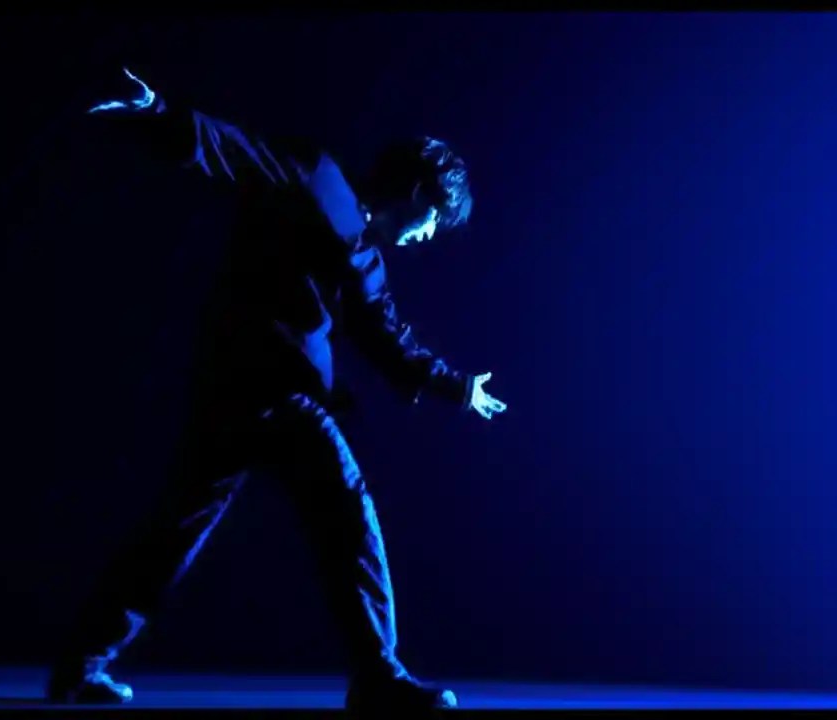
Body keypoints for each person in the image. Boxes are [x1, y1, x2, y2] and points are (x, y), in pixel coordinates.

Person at [46, 68, 507, 715]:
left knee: (174, 534)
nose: (428, 236)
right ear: (411, 191)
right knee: (346, 514)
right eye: (431, 218)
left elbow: (387, 338)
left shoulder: (369, 262)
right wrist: (156, 110)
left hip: (258, 400)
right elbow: (232, 149)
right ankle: (378, 677)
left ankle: (79, 667)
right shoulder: (316, 178)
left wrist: (456, 388)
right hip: (256, 387)